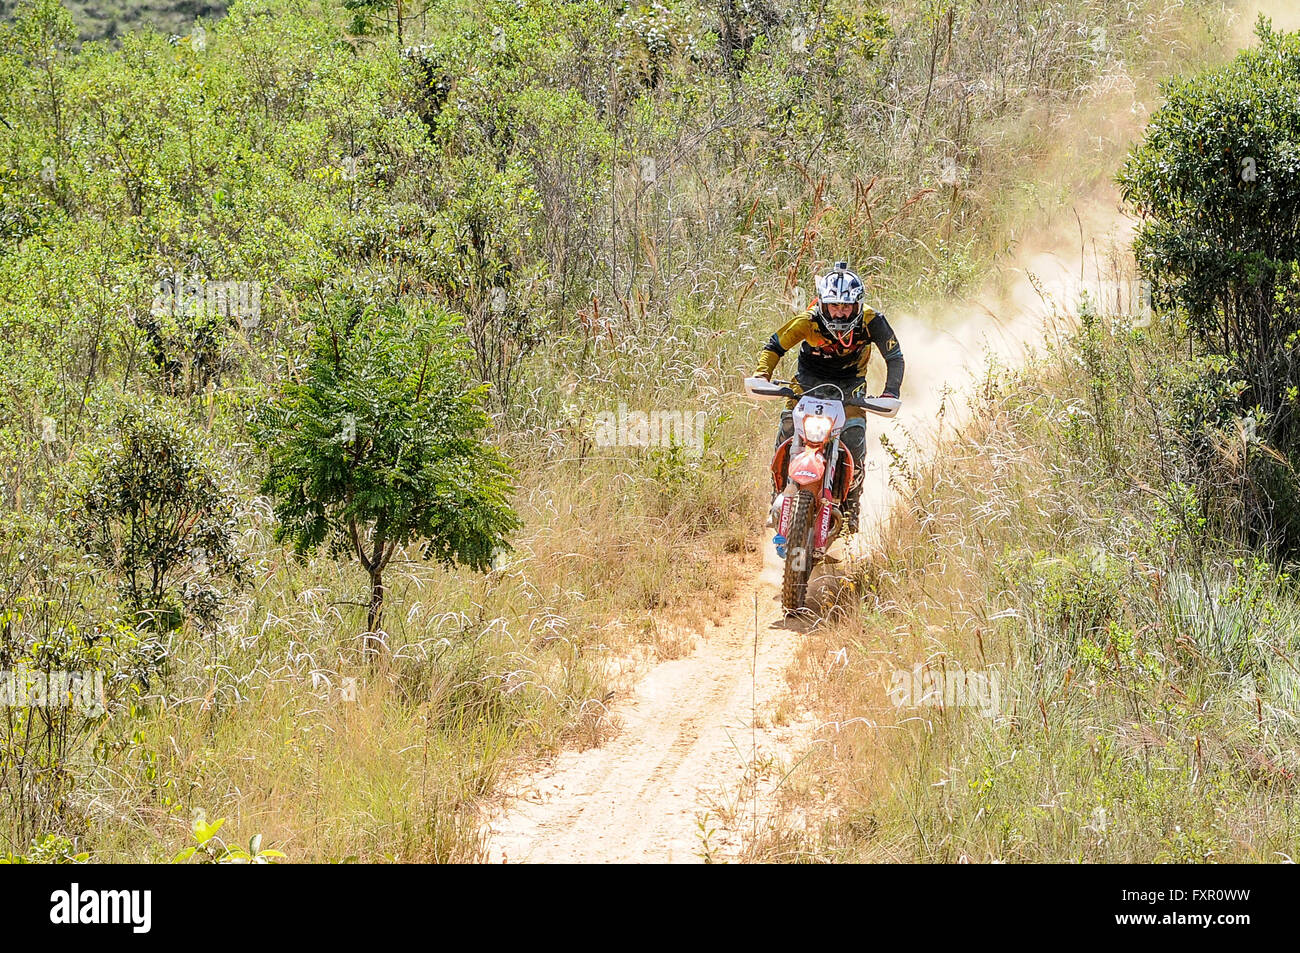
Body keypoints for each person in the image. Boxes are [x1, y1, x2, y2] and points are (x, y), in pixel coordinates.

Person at [752, 261, 904, 533]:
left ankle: (851, 509)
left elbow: (894, 356)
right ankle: (776, 495)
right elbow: (774, 346)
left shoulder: (872, 321)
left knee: (854, 440)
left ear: (858, 305)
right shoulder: (807, 321)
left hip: (850, 388)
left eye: (847, 307)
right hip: (806, 384)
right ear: (823, 304)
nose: (840, 313)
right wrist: (762, 376)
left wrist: (890, 391)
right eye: (834, 306)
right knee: (787, 428)